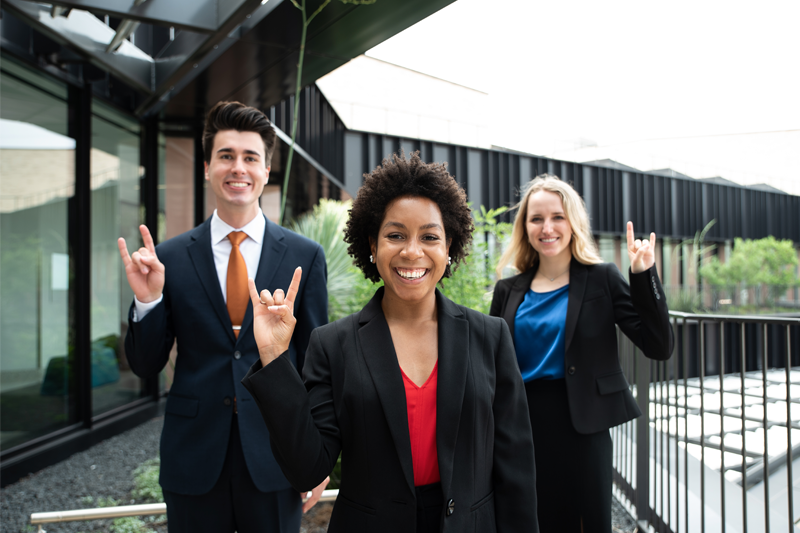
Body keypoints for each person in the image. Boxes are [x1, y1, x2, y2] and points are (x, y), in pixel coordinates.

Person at [240, 152, 539, 533]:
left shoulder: (490, 337)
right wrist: (273, 357)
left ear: (449, 247)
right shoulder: (333, 345)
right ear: (372, 244)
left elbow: (516, 470)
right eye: (395, 235)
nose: (412, 251)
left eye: (429, 237)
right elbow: (307, 470)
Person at [118, 101, 329, 533]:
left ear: (267, 170)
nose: (239, 168)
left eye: (250, 157)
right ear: (207, 167)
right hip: (193, 457)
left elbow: (316, 364)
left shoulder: (304, 256)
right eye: (226, 156)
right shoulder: (171, 257)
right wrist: (148, 301)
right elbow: (144, 365)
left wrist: (318, 452)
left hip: (276, 455)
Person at [489, 174, 674, 533]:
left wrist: (644, 274)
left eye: (557, 217)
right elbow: (491, 365)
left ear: (573, 222)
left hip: (583, 426)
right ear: (524, 226)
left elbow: (659, 345)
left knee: (588, 522)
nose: (547, 227)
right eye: (536, 218)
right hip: (521, 424)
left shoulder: (602, 278)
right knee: (531, 519)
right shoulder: (507, 290)